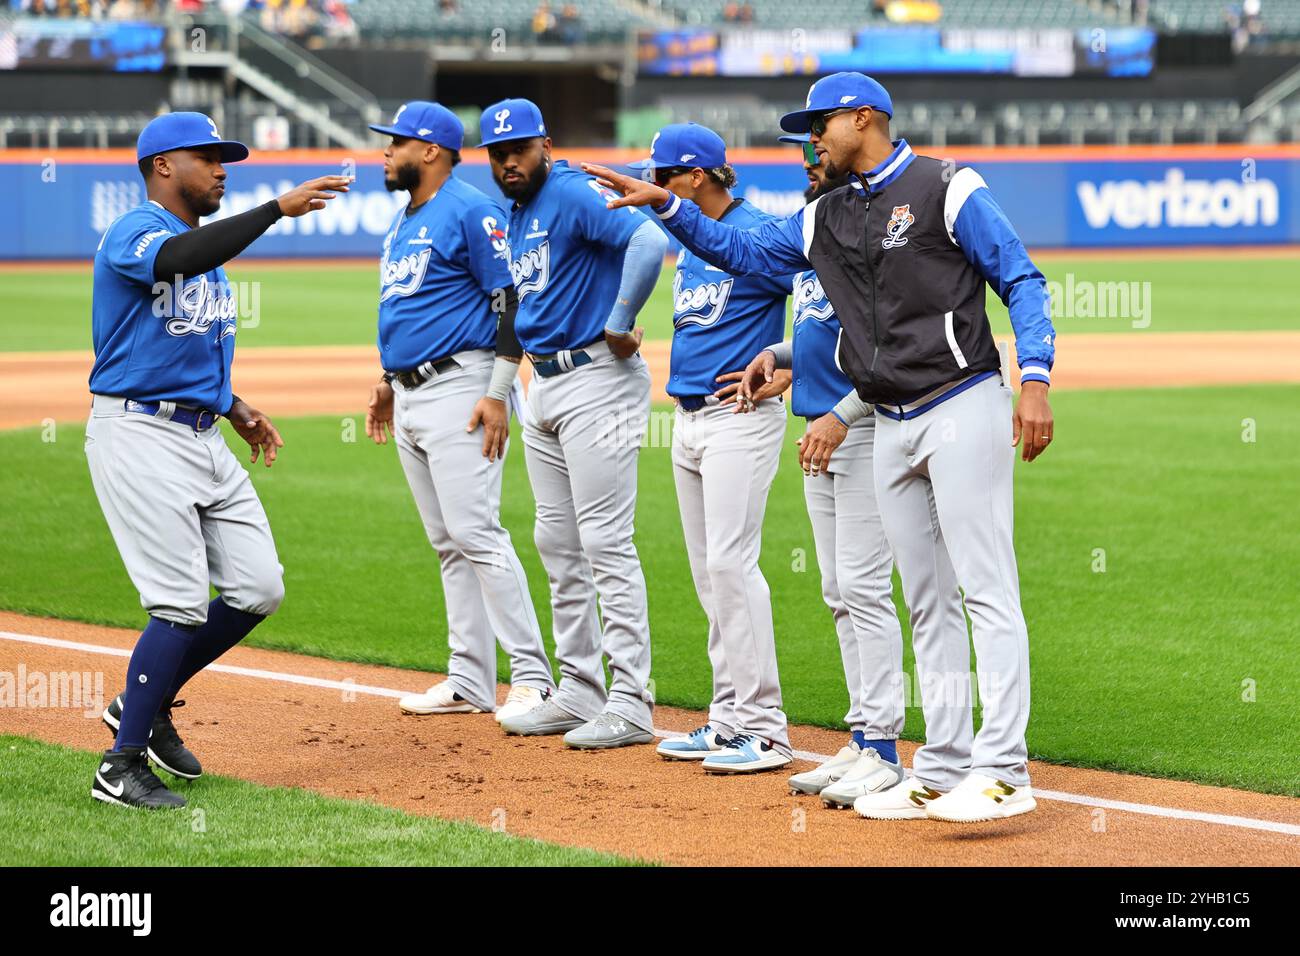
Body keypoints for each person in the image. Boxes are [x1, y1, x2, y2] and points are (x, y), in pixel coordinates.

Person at [583, 71, 1055, 823]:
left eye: (820, 126)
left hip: (962, 400)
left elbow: (1021, 279)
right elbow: (741, 251)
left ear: (864, 119)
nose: (811, 141)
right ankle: (939, 765)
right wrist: (671, 206)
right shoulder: (827, 214)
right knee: (926, 601)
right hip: (891, 420)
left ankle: (1004, 768)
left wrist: (1034, 377)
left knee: (985, 588)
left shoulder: (946, 185)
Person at [89, 112, 350, 809]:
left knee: (259, 587)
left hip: (202, 436)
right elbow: (176, 263)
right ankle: (119, 766)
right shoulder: (137, 231)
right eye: (207, 157)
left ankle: (144, 701)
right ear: (163, 166)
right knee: (176, 603)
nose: (222, 168)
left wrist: (236, 407)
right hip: (139, 433)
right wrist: (276, 209)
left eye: (224, 157)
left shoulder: (202, 248)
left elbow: (183, 345)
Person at [480, 98, 668, 749]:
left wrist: (619, 321)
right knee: (556, 542)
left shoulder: (572, 193)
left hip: (596, 377)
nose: (510, 161)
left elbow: (648, 238)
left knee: (604, 542)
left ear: (546, 146)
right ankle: (580, 689)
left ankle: (632, 698)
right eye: (498, 153)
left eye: (520, 149)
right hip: (545, 385)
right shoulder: (519, 211)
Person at [362, 101, 556, 727]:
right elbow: (409, 308)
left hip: (463, 386)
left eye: (395, 143)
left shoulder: (471, 209)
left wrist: (500, 390)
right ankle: (470, 679)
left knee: (476, 533)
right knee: (448, 543)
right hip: (414, 392)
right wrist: (389, 380)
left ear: (431, 151)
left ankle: (532, 679)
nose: (385, 153)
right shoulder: (405, 218)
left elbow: (511, 301)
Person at [747, 132, 911, 806]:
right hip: (821, 430)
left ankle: (884, 748)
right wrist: (782, 357)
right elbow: (826, 326)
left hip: (863, 430)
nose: (809, 162)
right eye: (803, 155)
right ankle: (860, 737)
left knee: (866, 589)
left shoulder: (867, 239)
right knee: (839, 590)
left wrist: (841, 410)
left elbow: (892, 344)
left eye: (816, 152)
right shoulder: (817, 237)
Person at [629, 124, 796, 774]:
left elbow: (828, 304)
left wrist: (794, 366)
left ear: (695, 177)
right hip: (690, 420)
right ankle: (729, 719)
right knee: (709, 576)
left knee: (731, 566)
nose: (654, 188)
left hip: (740, 417)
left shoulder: (755, 232)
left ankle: (767, 729)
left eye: (662, 177)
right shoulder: (692, 239)